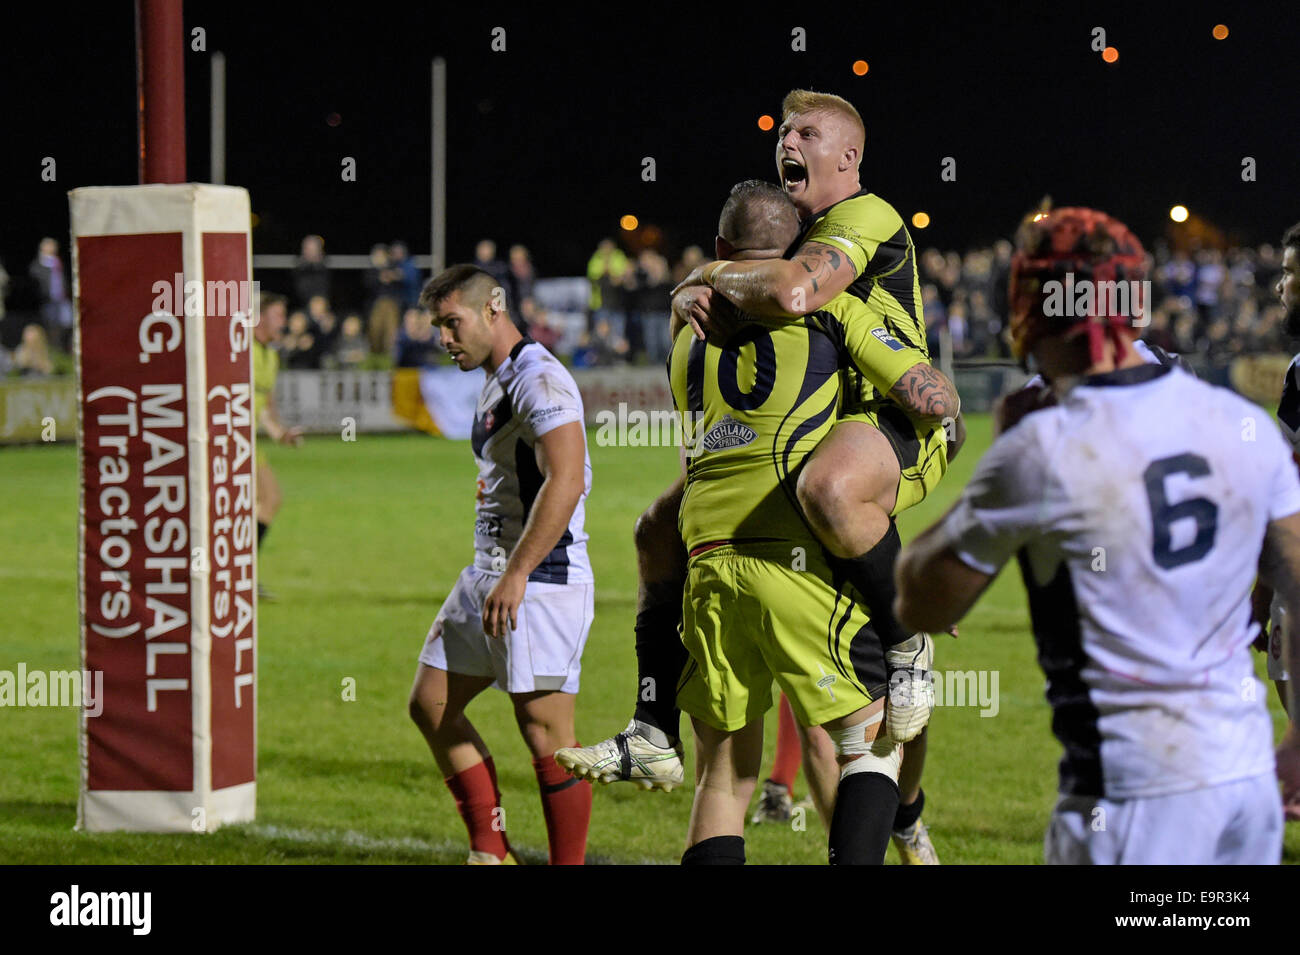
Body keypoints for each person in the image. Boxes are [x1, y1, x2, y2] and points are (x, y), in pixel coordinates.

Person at [557, 181, 959, 864]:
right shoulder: (832, 314)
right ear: (798, 252)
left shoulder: (685, 337)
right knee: (872, 741)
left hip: (708, 564)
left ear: (721, 251)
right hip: (796, 564)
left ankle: (650, 728)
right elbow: (933, 398)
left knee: (725, 774)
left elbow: (698, 454)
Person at [894, 206, 1300, 864]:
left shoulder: (1047, 444)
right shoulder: (1235, 422)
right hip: (1243, 784)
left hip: (1129, 797)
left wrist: (1005, 454)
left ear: (1031, 308)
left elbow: (922, 601)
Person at [408, 265, 594, 865]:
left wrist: (516, 573)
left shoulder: (539, 378)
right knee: (431, 703)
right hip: (487, 574)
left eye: (452, 323)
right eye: (438, 326)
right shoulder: (497, 375)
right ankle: (492, 853)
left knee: (546, 735)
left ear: (493, 307)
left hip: (539, 580)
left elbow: (566, 480)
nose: (444, 338)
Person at [252, 293, 304, 600]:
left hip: (247, 444)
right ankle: (239, 575)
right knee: (264, 500)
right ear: (259, 317)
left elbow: (265, 406)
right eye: (278, 315)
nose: (283, 322)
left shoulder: (270, 356)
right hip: (226, 442)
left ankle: (243, 573)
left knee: (269, 499)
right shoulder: (239, 350)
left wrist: (280, 433)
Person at [29, 238, 72, 351]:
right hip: (48, 301)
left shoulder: (58, 262)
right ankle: (53, 349)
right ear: (43, 248)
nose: (53, 248)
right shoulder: (37, 266)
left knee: (67, 323)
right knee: (50, 325)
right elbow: (36, 285)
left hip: (62, 299)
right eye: (49, 246)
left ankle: (63, 348)